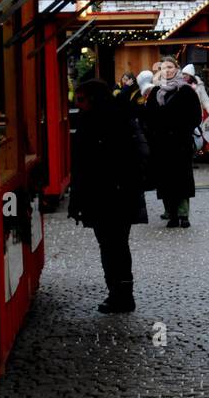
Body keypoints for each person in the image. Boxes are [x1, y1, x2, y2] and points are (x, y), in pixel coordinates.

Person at [68, 78, 149, 313]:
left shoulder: (94, 122)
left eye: (80, 99)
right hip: (119, 194)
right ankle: (121, 293)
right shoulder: (121, 116)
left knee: (111, 246)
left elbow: (82, 167)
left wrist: (79, 201)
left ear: (92, 98)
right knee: (117, 245)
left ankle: (119, 294)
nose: (77, 103)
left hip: (105, 195)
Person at [142, 59, 201, 228]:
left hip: (181, 142)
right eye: (163, 68)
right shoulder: (155, 92)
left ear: (177, 69)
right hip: (161, 144)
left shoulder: (186, 91)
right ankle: (171, 214)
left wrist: (183, 128)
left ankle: (183, 214)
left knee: (182, 178)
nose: (166, 71)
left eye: (170, 67)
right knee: (165, 180)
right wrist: (153, 134)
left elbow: (196, 115)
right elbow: (148, 118)